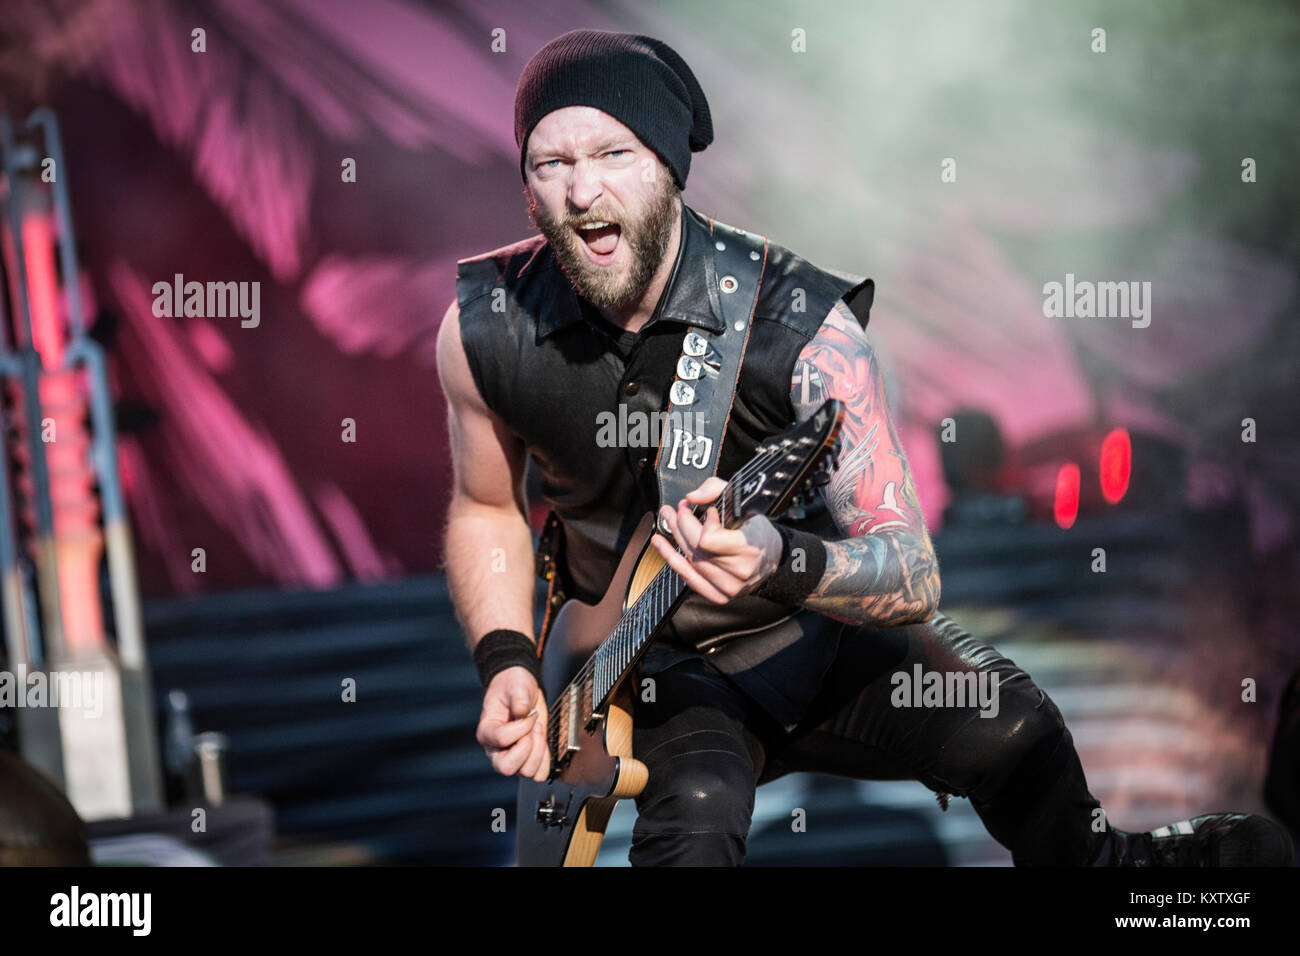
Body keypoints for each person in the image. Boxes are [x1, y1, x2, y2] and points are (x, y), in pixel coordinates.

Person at [437, 28, 1293, 867]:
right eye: (550, 166)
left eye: (612, 154)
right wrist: (507, 658)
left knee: (1016, 728)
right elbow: (485, 507)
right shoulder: (485, 328)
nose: (582, 190)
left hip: (812, 632)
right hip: (655, 671)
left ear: (666, 166)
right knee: (692, 825)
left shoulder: (804, 328)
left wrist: (783, 559)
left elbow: (912, 571)